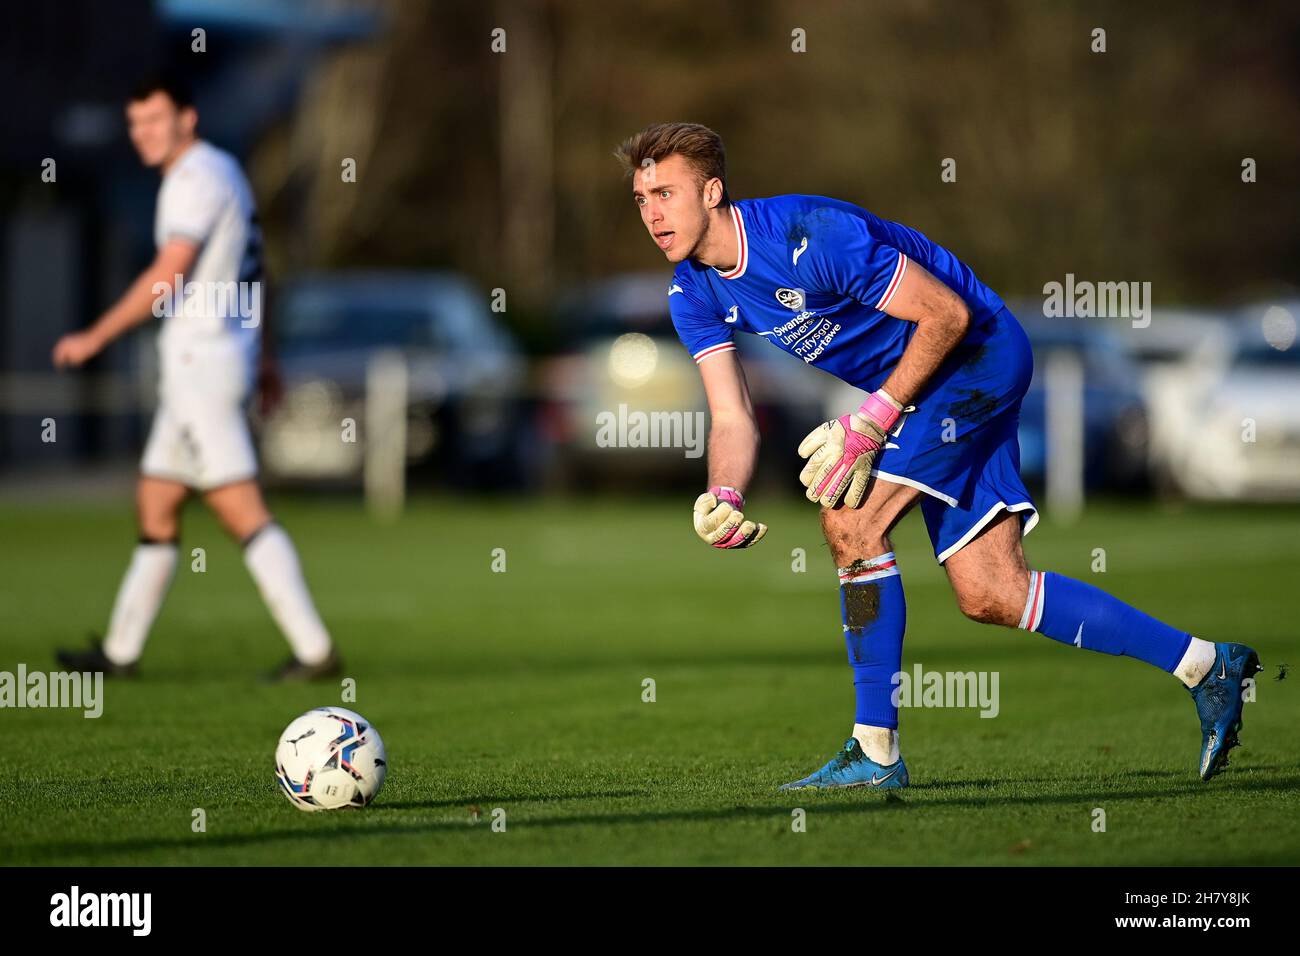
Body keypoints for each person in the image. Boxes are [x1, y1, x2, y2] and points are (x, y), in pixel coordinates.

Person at [615, 121, 1261, 788]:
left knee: (851, 523)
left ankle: (875, 750)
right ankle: (1206, 666)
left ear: (713, 191)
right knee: (992, 593)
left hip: (974, 356)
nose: (653, 213)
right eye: (641, 199)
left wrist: (872, 420)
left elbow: (947, 315)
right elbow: (731, 415)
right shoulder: (692, 290)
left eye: (666, 193)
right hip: (922, 391)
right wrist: (723, 494)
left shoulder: (809, 234)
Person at [52, 76, 341, 682]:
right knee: (156, 502)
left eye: (155, 120)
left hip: (201, 366)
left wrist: (96, 336)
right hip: (213, 360)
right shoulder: (223, 171)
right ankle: (120, 653)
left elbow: (170, 273)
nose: (143, 134)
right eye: (135, 123)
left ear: (189, 118)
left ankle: (315, 651)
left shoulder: (195, 179)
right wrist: (264, 359)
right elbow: (254, 277)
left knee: (241, 510)